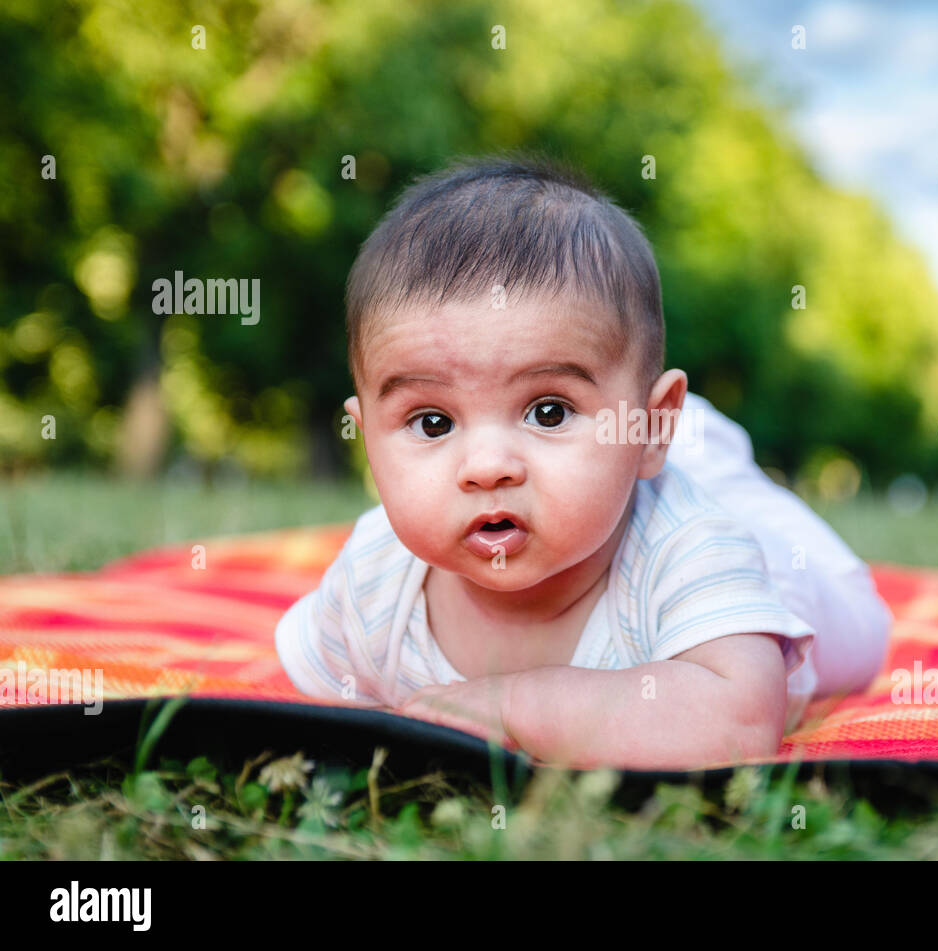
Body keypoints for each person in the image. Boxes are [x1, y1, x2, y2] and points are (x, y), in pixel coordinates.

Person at [274, 152, 892, 770]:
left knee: (864, 639)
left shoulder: (690, 548)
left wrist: (513, 704)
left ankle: (699, 445)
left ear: (652, 428)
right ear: (367, 439)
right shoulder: (372, 583)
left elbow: (738, 722)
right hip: (632, 456)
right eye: (432, 422)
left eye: (548, 411)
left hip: (767, 560)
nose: (487, 467)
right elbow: (313, 700)